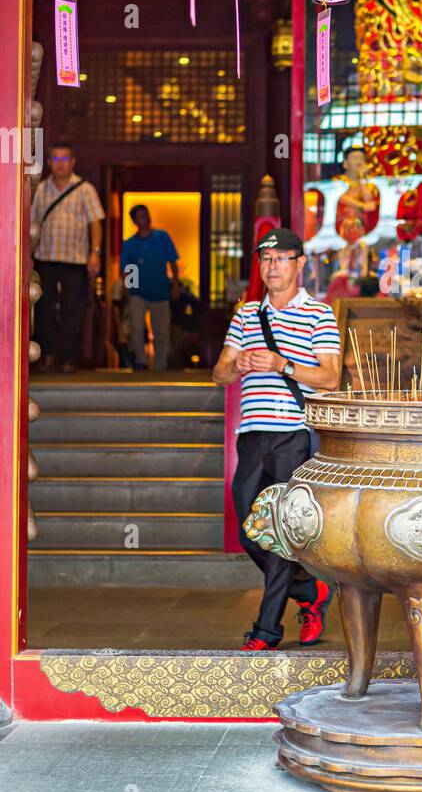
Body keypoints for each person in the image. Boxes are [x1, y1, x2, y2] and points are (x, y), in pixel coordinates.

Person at [213, 228, 342, 650]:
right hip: (251, 433)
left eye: (281, 258)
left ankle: (267, 629)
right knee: (252, 530)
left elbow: (330, 377)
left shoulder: (319, 314)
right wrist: (241, 366)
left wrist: (281, 363)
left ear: (300, 264)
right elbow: (220, 373)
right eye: (265, 259)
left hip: (294, 434)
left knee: (282, 529)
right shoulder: (246, 314)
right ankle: (310, 592)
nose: (271, 267)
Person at [31, 144, 105, 374]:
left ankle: (68, 358)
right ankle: (48, 355)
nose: (60, 163)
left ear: (73, 162)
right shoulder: (40, 189)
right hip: (46, 258)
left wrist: (95, 252)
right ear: (50, 162)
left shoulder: (85, 189)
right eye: (55, 158)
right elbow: (30, 225)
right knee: (44, 309)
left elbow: (96, 223)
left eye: (65, 159)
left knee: (72, 311)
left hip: (75, 260)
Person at [120, 205, 181, 372]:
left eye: (146, 215)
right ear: (134, 221)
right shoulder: (130, 244)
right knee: (137, 328)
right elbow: (128, 269)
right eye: (140, 216)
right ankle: (141, 360)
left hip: (160, 291)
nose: (145, 219)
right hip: (138, 291)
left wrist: (175, 284)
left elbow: (172, 261)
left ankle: (160, 366)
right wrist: (129, 291)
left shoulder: (161, 237)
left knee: (161, 331)